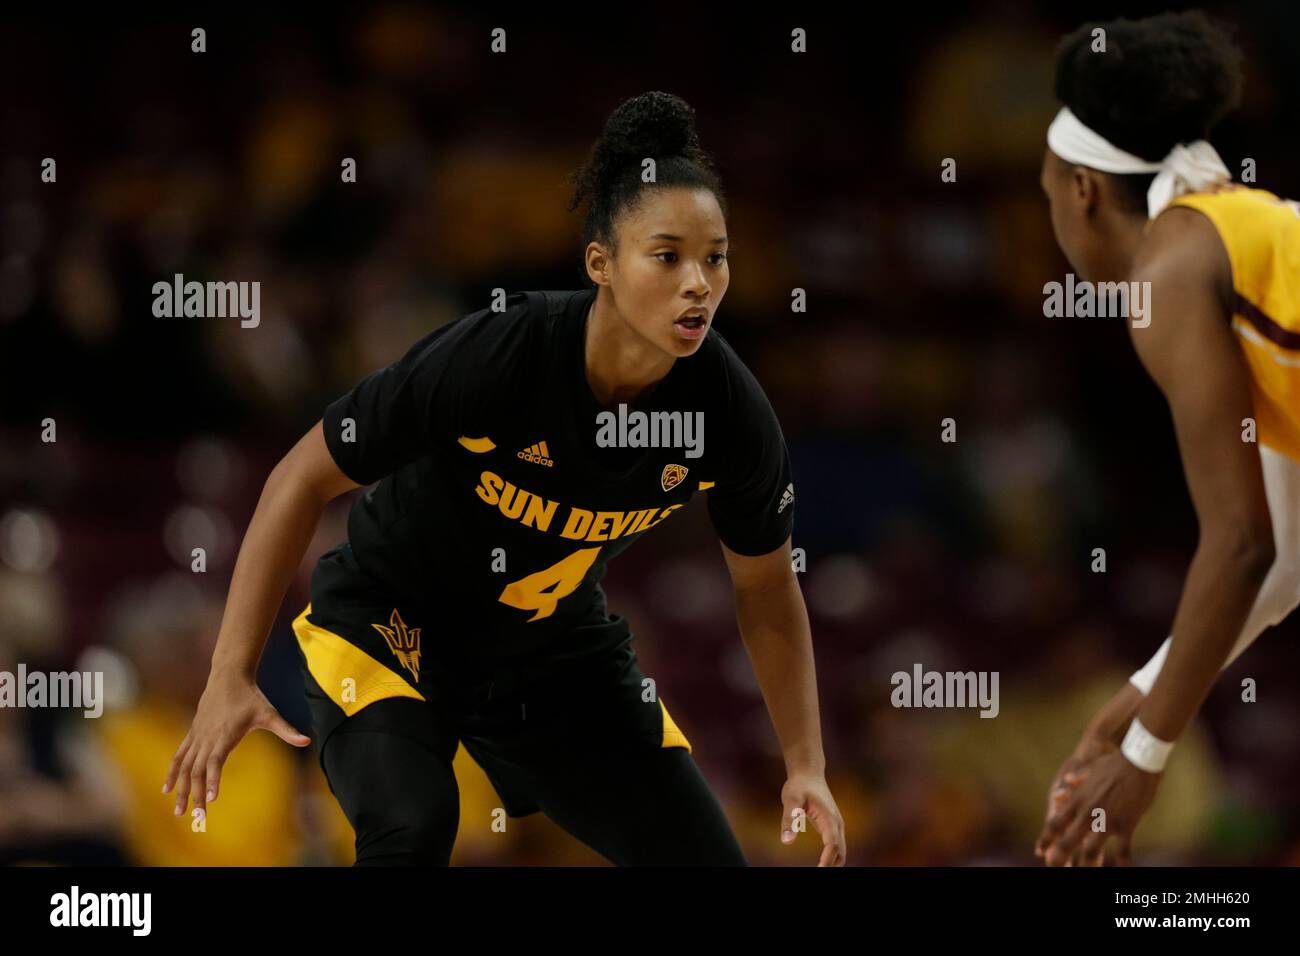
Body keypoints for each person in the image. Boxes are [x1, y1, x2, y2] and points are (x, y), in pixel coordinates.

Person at [163, 90, 845, 866]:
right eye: (668, 256)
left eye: (715, 257)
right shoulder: (498, 357)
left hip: (553, 656)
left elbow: (764, 585)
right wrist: (230, 674)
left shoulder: (730, 414)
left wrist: (805, 764)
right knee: (411, 828)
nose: (699, 282)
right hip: (395, 626)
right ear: (602, 264)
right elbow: (298, 478)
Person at [1033, 11, 1300, 866]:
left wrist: (1145, 762)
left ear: (1080, 189)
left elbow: (1241, 544)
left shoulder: (1171, 269)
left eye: (1044, 196)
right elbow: (1286, 561)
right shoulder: (1234, 237)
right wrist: (1131, 709)